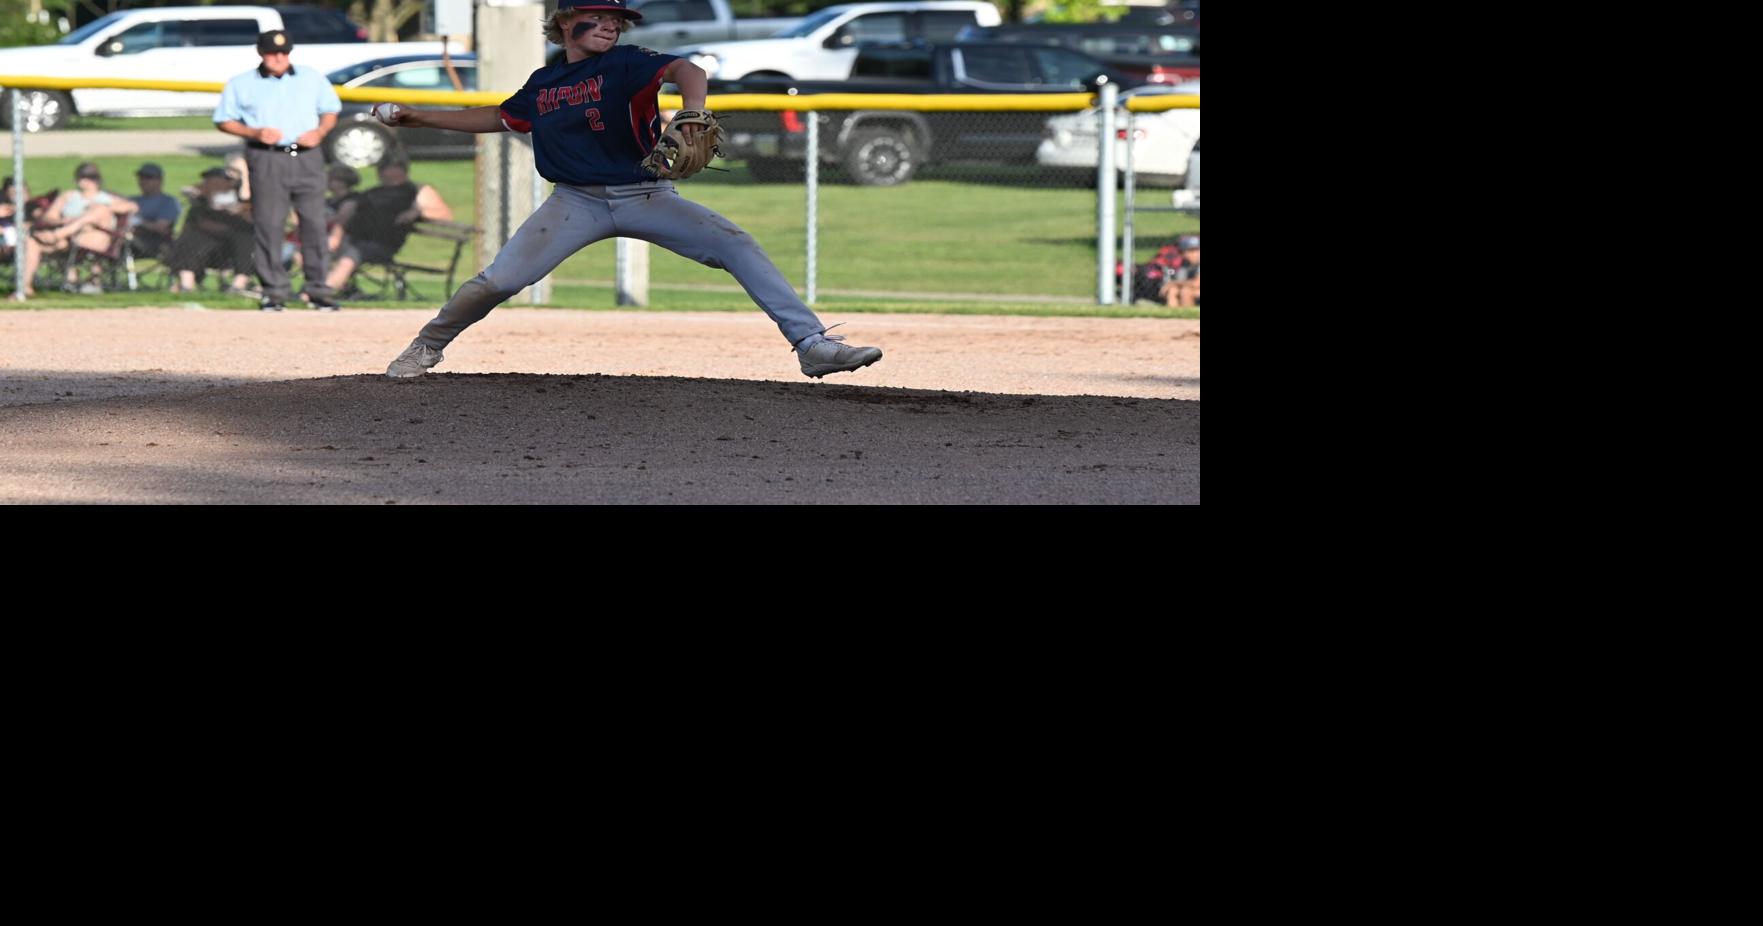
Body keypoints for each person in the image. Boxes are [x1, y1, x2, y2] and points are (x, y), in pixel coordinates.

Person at [379, 0, 881, 379]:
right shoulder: (543, 82)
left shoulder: (625, 63)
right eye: (597, 17)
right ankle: (427, 343)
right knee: (498, 282)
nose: (610, 25)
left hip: (646, 195)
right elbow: (499, 116)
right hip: (575, 201)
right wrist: (417, 115)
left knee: (734, 243)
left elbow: (688, 69)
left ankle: (811, 344)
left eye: (616, 19)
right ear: (563, 24)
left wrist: (693, 110)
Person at [213, 28, 341, 311]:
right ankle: (274, 292)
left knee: (314, 225)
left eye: (284, 52)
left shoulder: (311, 77)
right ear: (261, 53)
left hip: (307, 156)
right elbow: (223, 119)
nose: (279, 57)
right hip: (266, 157)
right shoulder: (241, 83)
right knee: (270, 225)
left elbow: (331, 110)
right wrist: (253, 131)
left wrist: (320, 132)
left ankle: (318, 291)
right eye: (272, 52)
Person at [325, 159, 454, 294]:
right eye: (382, 168)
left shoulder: (414, 191)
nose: (381, 171)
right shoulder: (372, 193)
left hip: (381, 244)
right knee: (319, 249)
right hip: (354, 239)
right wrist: (336, 233)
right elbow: (346, 215)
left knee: (350, 255)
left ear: (401, 171)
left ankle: (325, 291)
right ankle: (331, 288)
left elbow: (443, 214)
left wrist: (416, 211)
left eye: (386, 168)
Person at [22, 162, 140, 295]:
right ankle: (24, 287)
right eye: (84, 177)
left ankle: (60, 234)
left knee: (99, 209)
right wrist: (65, 221)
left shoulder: (106, 198)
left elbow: (132, 207)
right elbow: (48, 217)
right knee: (32, 241)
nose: (89, 181)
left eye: (93, 177)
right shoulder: (69, 196)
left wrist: (102, 209)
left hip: (93, 238)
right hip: (67, 240)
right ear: (77, 179)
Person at [167, 167, 256, 295]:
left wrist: (239, 210)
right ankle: (187, 283)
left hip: (231, 246)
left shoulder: (241, 199)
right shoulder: (201, 200)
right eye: (208, 180)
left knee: (244, 238)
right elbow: (190, 195)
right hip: (205, 246)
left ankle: (239, 284)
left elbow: (251, 221)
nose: (212, 183)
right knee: (190, 239)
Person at [128, 163, 182, 261]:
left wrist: (138, 222)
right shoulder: (132, 200)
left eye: (148, 178)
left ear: (159, 180)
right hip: (128, 238)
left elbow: (162, 228)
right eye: (141, 177)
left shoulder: (168, 201)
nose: (143, 181)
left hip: (153, 243)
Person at [1161, 234, 1200, 308]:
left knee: (1186, 291)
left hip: (1195, 287)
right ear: (1183, 253)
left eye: (1196, 250)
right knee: (1173, 290)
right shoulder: (1183, 265)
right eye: (1190, 251)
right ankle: (1174, 316)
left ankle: (1188, 316)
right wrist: (1172, 286)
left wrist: (1172, 283)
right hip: (1193, 288)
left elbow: (1197, 283)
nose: (1196, 254)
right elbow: (1181, 281)